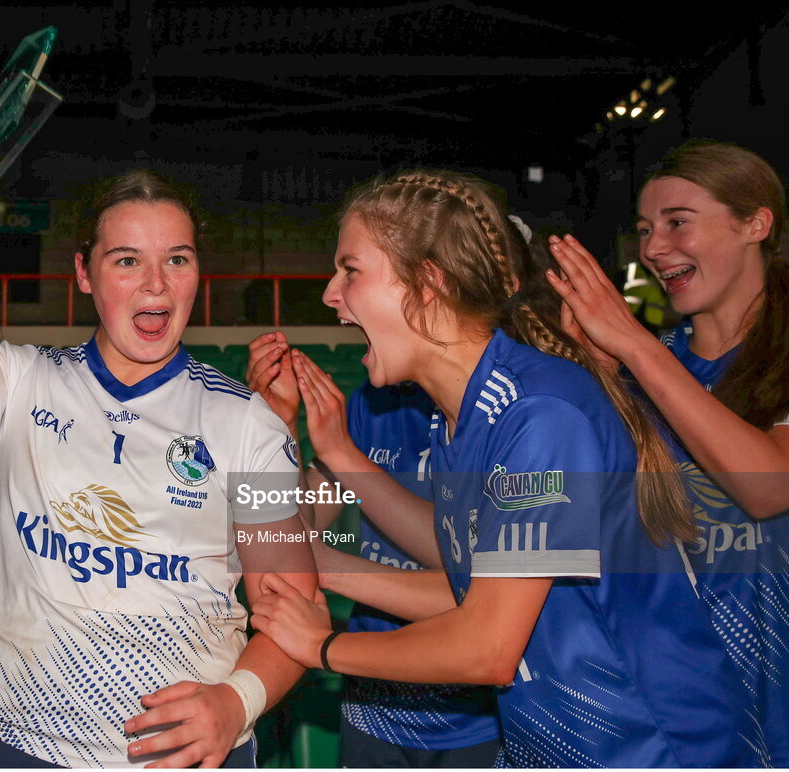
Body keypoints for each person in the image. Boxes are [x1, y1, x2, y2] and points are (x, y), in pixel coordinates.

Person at [249, 170, 766, 767]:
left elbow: (487, 646)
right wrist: (314, 528)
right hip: (554, 744)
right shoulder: (464, 417)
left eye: (352, 270)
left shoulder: (538, 411)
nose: (330, 294)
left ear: (427, 283)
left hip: (651, 749)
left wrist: (322, 645)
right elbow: (466, 582)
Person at [0, 115, 316, 769]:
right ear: (84, 274)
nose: (155, 283)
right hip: (15, 745)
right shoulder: (22, 378)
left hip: (179, 756)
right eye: (126, 260)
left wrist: (237, 702)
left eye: (176, 260)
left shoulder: (249, 424)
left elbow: (295, 603)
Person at [545, 139, 789, 764]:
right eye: (647, 230)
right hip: (678, 715)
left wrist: (633, 346)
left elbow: (768, 486)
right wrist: (598, 379)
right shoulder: (650, 369)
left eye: (679, 223)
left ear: (755, 223)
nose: (653, 249)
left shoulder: (657, 360)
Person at [247, 332, 501, 767]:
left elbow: (481, 597)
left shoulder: (501, 410)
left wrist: (324, 567)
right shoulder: (372, 402)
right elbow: (299, 525)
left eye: (352, 270)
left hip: (479, 716)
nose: (334, 296)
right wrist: (280, 425)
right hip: (372, 704)